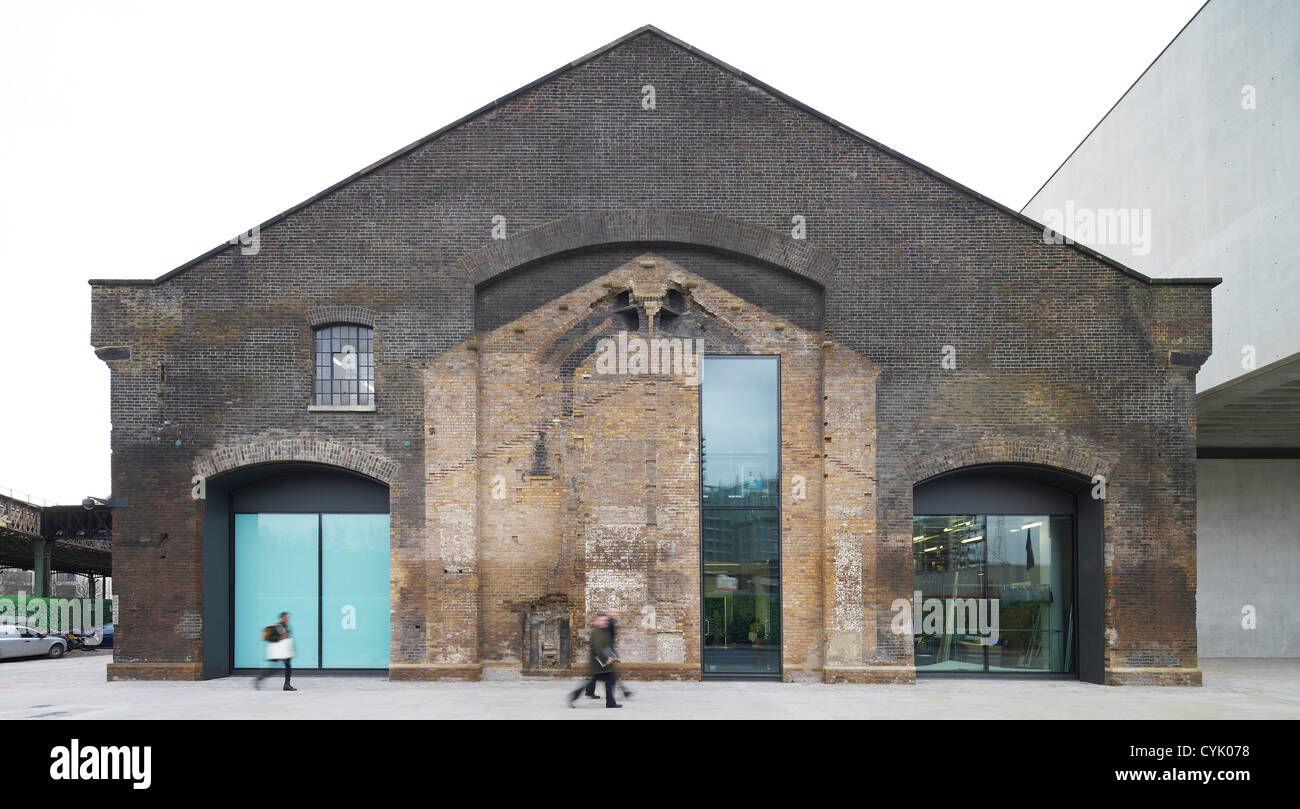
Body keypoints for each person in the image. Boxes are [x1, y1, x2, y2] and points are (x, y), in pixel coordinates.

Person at [568, 612, 621, 708]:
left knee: (610, 680)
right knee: (593, 682)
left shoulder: (604, 631)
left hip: (604, 664)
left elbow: (607, 645)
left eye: (605, 620)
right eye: (602, 620)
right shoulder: (596, 632)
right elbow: (597, 647)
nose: (604, 622)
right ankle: (573, 696)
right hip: (598, 664)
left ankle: (610, 702)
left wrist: (612, 656)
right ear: (597, 622)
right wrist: (606, 659)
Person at [584, 608, 633, 701]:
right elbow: (605, 639)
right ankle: (620, 693)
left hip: (606, 650)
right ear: (609, 613)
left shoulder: (612, 622)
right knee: (607, 673)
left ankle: (590, 691)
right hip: (605, 650)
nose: (616, 614)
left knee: (605, 673)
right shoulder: (608, 622)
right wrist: (609, 655)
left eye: (617, 612)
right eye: (614, 612)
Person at [256, 612, 297, 691]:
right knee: (274, 669)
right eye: (285, 617)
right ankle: (259, 679)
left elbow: (287, 638)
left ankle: (287, 685)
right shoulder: (278, 626)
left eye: (287, 617)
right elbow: (270, 638)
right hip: (279, 652)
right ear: (282, 618)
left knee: (287, 667)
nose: (287, 618)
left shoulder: (286, 626)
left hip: (285, 651)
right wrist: (280, 638)